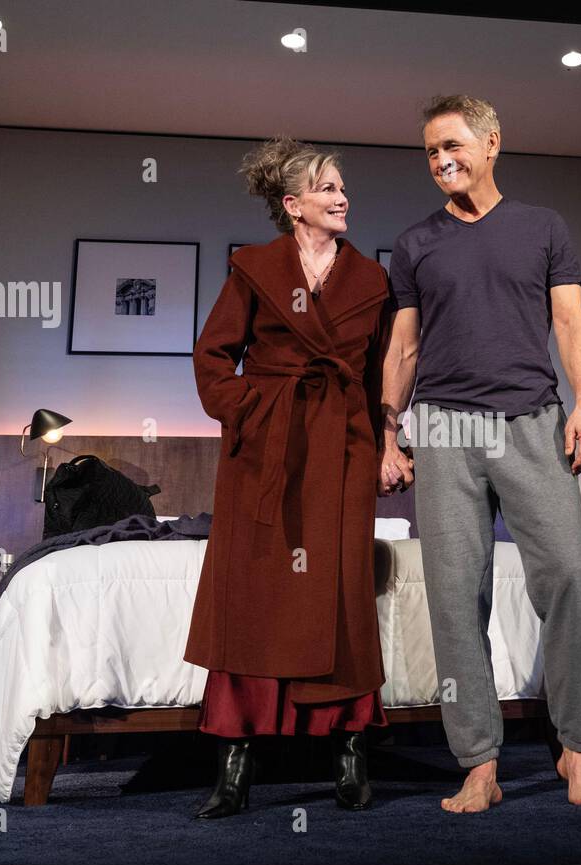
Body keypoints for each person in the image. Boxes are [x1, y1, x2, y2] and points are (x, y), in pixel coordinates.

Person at [378, 95, 581, 812]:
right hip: (444, 427)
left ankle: (577, 751)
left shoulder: (542, 227)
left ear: (490, 144)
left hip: (530, 419)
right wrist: (388, 430)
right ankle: (478, 763)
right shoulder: (416, 244)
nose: (440, 159)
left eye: (451, 144)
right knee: (455, 595)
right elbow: (404, 346)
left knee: (570, 571)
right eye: (429, 150)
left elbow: (570, 318)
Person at [185, 137, 395, 818]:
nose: (342, 198)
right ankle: (234, 765)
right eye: (328, 188)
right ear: (293, 204)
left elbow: (376, 375)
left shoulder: (372, 280)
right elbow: (214, 355)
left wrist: (388, 441)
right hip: (267, 450)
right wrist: (250, 408)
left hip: (344, 449)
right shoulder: (255, 269)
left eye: (344, 188)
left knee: (340, 595)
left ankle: (351, 751)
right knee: (253, 595)